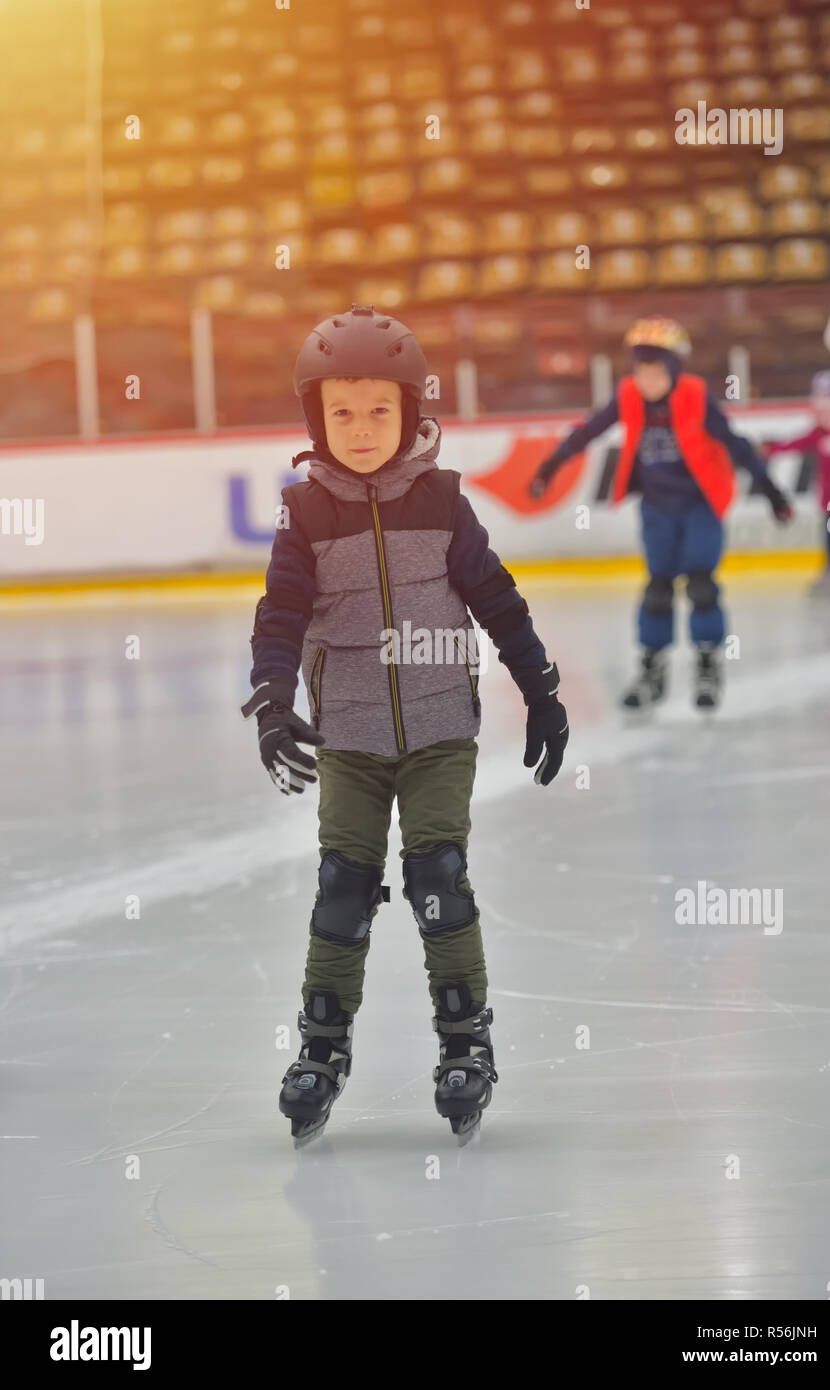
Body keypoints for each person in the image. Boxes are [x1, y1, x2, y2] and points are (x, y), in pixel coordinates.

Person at [242, 305, 569, 1146]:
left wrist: (538, 687)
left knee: (437, 878)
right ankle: (321, 1043)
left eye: (378, 411)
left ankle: (465, 1040)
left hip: (436, 735)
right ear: (317, 418)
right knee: (342, 889)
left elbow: (495, 598)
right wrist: (274, 704)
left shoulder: (443, 502)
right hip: (347, 739)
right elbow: (278, 617)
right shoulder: (303, 512)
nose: (359, 430)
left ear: (412, 412)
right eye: (341, 413)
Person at [529, 317, 793, 710]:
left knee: (701, 584)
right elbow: (588, 432)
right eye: (641, 371)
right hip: (658, 508)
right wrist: (550, 466)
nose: (647, 381)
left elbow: (734, 444)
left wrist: (771, 491)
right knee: (657, 589)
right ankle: (652, 671)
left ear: (673, 369)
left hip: (701, 503)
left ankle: (707, 666)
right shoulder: (628, 395)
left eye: (656, 372)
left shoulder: (695, 396)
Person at [762, 370, 830, 598]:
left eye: (825, 396)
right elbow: (798, 443)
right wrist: (771, 448)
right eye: (818, 396)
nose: (820, 402)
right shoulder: (820, 430)